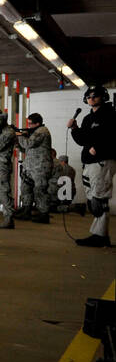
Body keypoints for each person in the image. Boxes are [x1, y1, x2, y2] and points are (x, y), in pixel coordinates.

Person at [68, 85, 116, 247]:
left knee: (99, 198)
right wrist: (74, 128)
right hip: (89, 162)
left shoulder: (111, 114)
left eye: (95, 96)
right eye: (89, 96)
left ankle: (100, 236)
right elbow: (82, 140)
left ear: (103, 97)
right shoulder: (88, 118)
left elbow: (112, 137)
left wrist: (100, 148)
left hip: (103, 161)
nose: (92, 99)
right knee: (92, 199)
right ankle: (99, 234)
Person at [14, 113, 52, 223]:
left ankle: (44, 214)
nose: (29, 126)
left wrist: (20, 135)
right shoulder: (35, 132)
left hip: (40, 167)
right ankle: (26, 210)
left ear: (38, 123)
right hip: (31, 167)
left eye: (30, 124)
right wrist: (17, 143)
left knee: (40, 191)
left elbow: (28, 144)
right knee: (26, 189)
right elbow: (26, 150)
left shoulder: (42, 131)